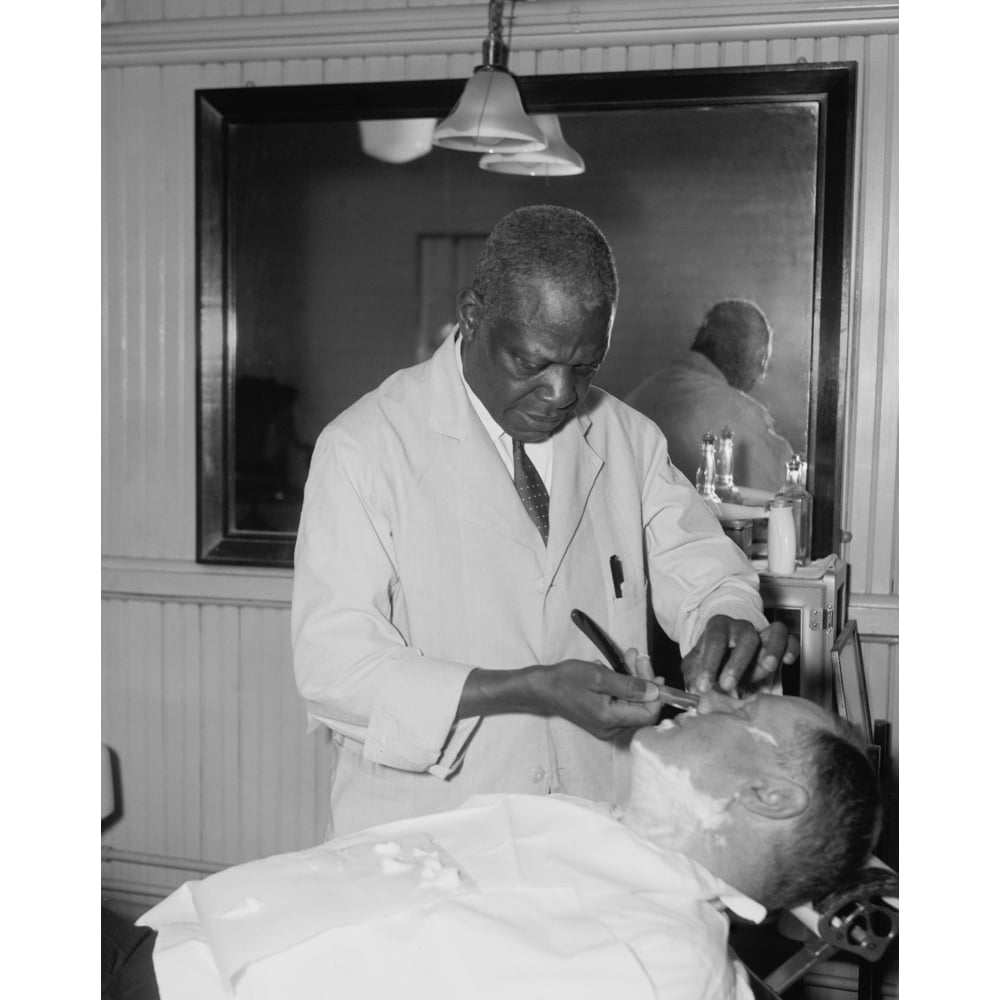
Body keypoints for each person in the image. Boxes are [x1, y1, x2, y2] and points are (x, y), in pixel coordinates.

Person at [292, 206, 798, 837]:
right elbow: (335, 670)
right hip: (429, 831)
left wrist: (727, 622)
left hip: (592, 815)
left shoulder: (627, 438)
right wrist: (526, 688)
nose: (562, 393)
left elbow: (706, 575)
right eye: (532, 364)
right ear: (472, 315)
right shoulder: (366, 447)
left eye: (585, 366)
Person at [129, 692, 880, 1000]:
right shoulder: (607, 835)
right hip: (192, 937)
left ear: (770, 798)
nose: (710, 699)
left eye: (745, 709)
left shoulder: (665, 964)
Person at [626, 299, 796, 493]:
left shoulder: (637, 397)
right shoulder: (738, 413)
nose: (760, 376)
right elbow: (783, 491)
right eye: (761, 360)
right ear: (746, 352)